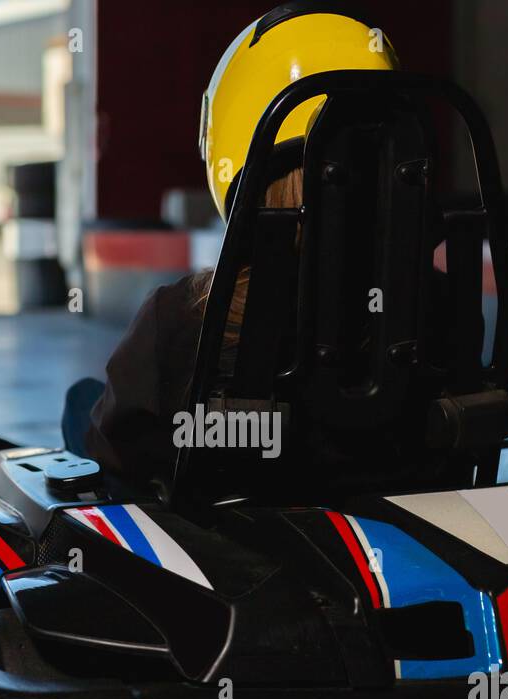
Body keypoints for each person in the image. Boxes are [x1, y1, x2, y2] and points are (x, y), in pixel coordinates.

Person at [61, 4, 399, 488]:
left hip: (228, 536)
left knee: (82, 401)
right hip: (378, 506)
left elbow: (115, 454)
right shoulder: (436, 305)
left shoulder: (186, 319)